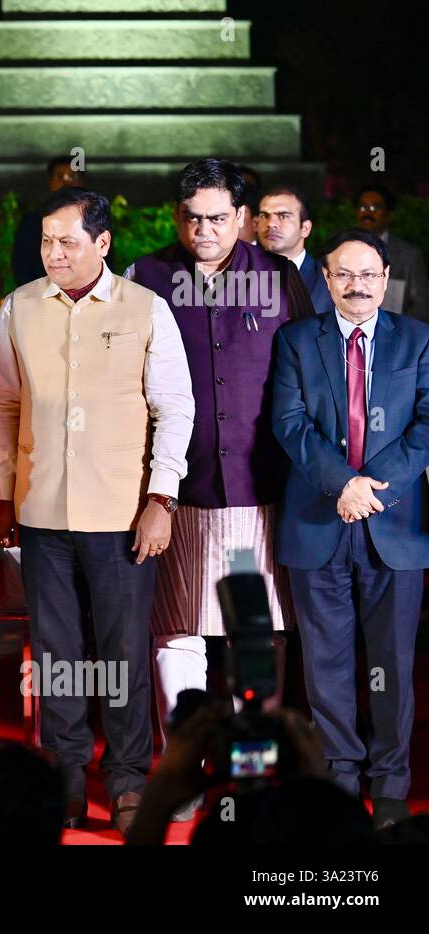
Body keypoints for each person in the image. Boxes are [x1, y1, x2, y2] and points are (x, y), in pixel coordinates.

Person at [0, 187, 195, 835]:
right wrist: (1, 491)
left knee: (123, 651)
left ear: (102, 244)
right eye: (47, 241)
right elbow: (3, 408)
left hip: (123, 516)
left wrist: (161, 498)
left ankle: (130, 778)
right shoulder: (18, 309)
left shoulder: (147, 310)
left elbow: (175, 409)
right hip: (42, 512)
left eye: (68, 242)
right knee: (57, 653)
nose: (53, 253)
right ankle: (66, 776)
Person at [126, 159, 313, 778]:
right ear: (177, 217)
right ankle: (183, 771)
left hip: (261, 487)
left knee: (253, 635)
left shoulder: (280, 278)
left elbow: (311, 378)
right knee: (176, 633)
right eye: (191, 217)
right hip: (174, 487)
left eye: (216, 217)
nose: (202, 229)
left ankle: (252, 772)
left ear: (242, 217)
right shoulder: (145, 277)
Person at [272, 228, 429, 830]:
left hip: (397, 529)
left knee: (393, 660)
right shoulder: (296, 341)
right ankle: (338, 780)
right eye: (343, 274)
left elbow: (425, 425)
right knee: (326, 664)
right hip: (319, 521)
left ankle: (390, 786)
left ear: (385, 279)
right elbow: (289, 425)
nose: (356, 285)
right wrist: (343, 484)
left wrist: (369, 488)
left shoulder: (417, 342)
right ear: (327, 280)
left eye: (367, 275)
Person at [256, 184, 335, 315]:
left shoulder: (328, 281)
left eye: (283, 216)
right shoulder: (238, 276)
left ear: (305, 229)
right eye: (264, 216)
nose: (271, 224)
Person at [355, 184, 429, 321]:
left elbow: (423, 305)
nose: (367, 213)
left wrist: (395, 326)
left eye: (375, 208)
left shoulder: (409, 256)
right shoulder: (342, 252)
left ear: (390, 215)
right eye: (362, 207)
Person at [12, 156, 79, 286]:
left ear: (82, 182)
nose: (66, 182)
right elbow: (21, 266)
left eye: (73, 177)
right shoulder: (32, 223)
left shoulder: (96, 222)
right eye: (60, 177)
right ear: (50, 182)